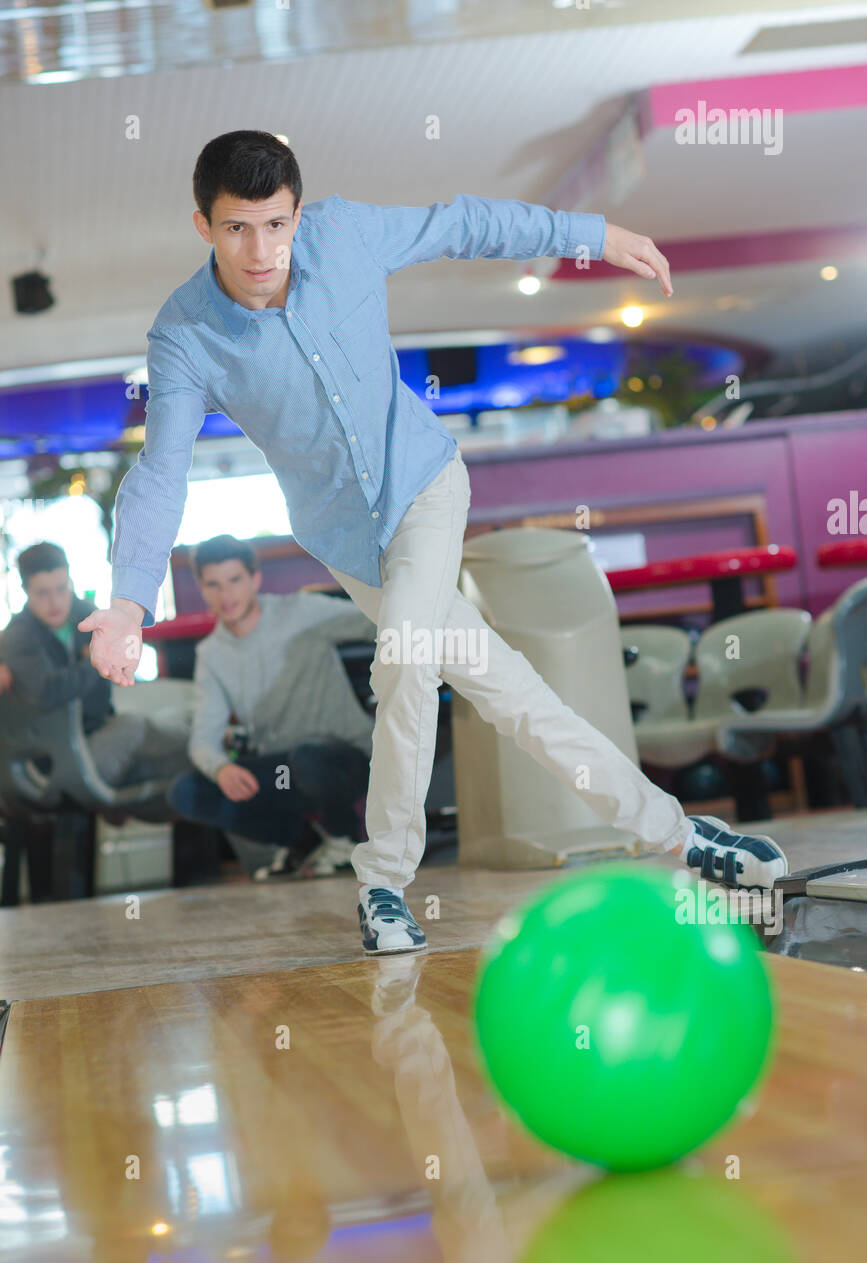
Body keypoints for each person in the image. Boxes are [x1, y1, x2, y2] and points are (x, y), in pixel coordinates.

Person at [80, 129, 788, 955]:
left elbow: (464, 223)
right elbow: (163, 470)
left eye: (275, 224)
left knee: (406, 663)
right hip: (348, 541)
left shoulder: (344, 233)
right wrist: (129, 598)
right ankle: (682, 835)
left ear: (298, 215)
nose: (260, 249)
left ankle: (381, 880)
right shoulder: (185, 335)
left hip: (422, 486)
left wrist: (595, 237)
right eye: (237, 228)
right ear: (203, 226)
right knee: (513, 695)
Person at [167, 534, 376, 879]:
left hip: (346, 760)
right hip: (286, 776)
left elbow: (375, 622)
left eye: (235, 580)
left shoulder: (300, 612)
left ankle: (345, 839)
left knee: (309, 758)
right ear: (203, 590)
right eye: (214, 585)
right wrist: (221, 769)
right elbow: (203, 740)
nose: (226, 594)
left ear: (255, 579)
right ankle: (302, 842)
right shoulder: (212, 655)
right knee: (186, 791)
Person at [0, 542, 189, 791]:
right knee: (140, 731)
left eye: (61, 588)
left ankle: (204, 752)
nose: (55, 601)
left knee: (170, 764)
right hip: (53, 759)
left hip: (97, 734)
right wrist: (92, 662)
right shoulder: (17, 636)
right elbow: (46, 693)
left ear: (70, 581)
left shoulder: (86, 613)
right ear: (25, 590)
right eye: (43, 593)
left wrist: (86, 669)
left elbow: (109, 676)